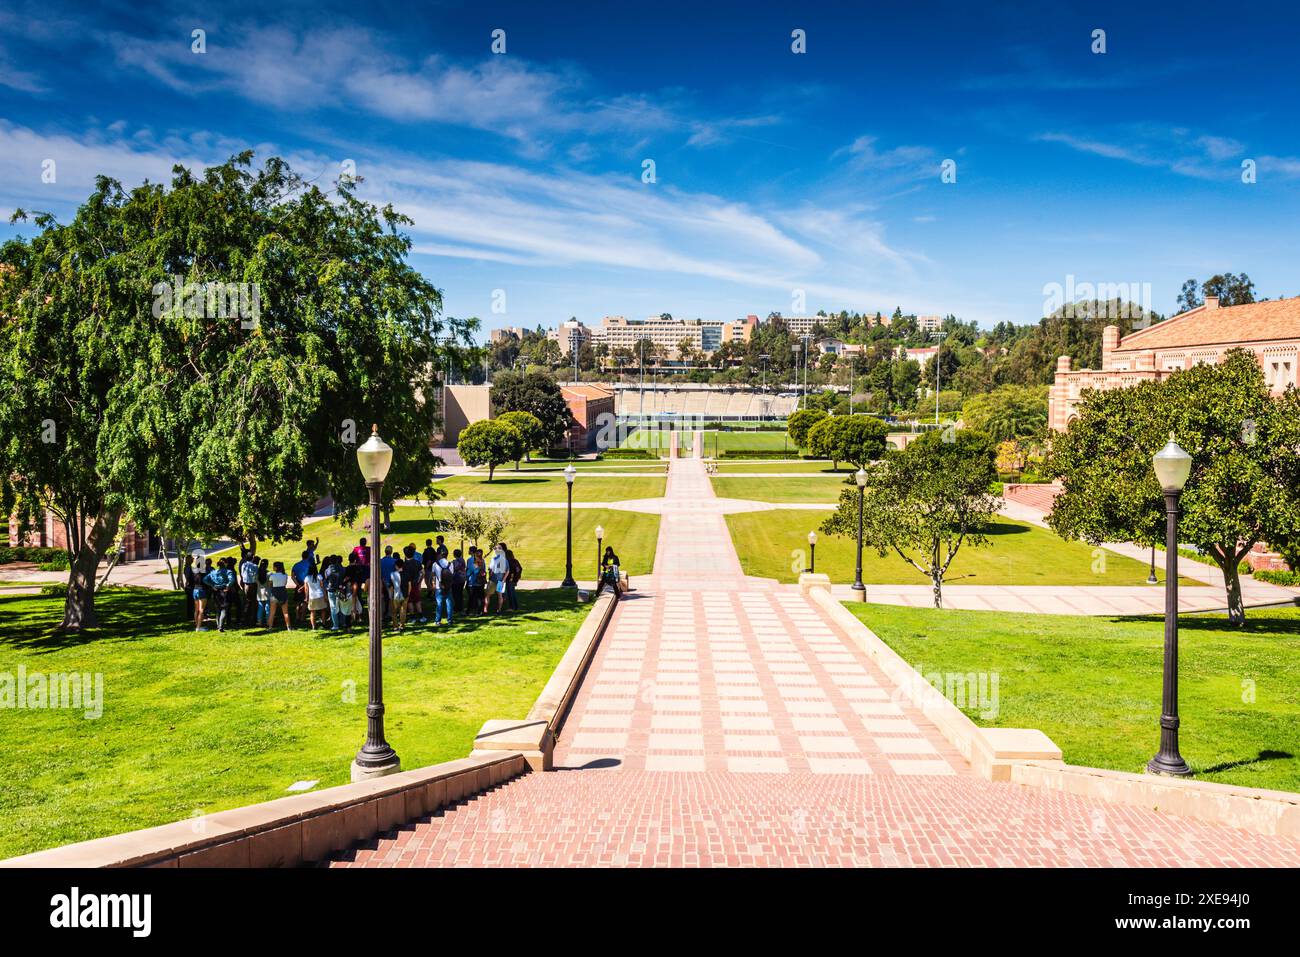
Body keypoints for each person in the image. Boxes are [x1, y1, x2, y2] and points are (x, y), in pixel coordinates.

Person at [204, 557, 237, 632]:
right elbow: (232, 580)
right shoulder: (228, 571)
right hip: (224, 591)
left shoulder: (213, 572)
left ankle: (218, 625)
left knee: (218, 609)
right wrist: (228, 586)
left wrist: (212, 585)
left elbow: (205, 579)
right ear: (225, 564)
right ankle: (221, 626)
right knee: (224, 609)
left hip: (216, 591)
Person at [403, 544, 426, 624]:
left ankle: (412, 617)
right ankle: (421, 616)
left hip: (407, 585)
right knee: (417, 600)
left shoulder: (404, 564)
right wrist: (419, 582)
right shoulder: (417, 563)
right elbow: (423, 573)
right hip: (415, 584)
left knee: (409, 601)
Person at [291, 549, 314, 624]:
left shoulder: (296, 564)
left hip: (299, 583)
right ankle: (302, 618)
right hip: (306, 584)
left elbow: (292, 576)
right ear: (308, 556)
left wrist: (298, 585)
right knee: (305, 601)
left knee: (297, 602)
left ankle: (297, 617)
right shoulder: (310, 565)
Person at [267, 561, 293, 630]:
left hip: (274, 594)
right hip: (283, 593)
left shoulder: (272, 576)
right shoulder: (285, 575)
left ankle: (270, 628)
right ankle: (288, 627)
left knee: (272, 613)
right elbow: (285, 584)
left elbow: (269, 585)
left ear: (276, 568)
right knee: (285, 612)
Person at [323, 555, 346, 631]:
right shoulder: (341, 569)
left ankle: (336, 625)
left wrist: (327, 587)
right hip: (340, 589)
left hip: (331, 590)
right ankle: (343, 622)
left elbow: (325, 580)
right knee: (341, 606)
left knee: (333, 607)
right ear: (336, 560)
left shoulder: (327, 570)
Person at [239, 551, 260, 626]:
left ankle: (244, 618)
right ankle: (252, 619)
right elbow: (256, 576)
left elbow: (242, 574)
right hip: (252, 585)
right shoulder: (255, 566)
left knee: (247, 602)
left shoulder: (243, 565)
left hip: (246, 585)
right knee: (253, 602)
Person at [488, 543, 509, 614]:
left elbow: (490, 570)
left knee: (488, 595)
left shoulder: (494, 559)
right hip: (500, 580)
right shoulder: (505, 560)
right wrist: (503, 580)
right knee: (500, 596)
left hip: (494, 580)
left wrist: (490, 577)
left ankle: (485, 610)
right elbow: (507, 571)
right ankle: (498, 610)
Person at [189, 556, 208, 631]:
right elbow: (207, 581)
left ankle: (197, 626)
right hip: (202, 590)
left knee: (196, 609)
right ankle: (198, 627)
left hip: (195, 590)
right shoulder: (204, 571)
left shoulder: (194, 571)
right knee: (201, 609)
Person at [389, 558, 408, 630]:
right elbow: (409, 585)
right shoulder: (406, 573)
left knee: (394, 611)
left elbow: (391, 587)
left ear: (396, 566)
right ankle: (402, 625)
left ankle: (395, 626)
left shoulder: (392, 574)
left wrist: (390, 596)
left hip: (396, 594)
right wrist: (408, 594)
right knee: (403, 610)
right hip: (405, 594)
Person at [464, 548, 483, 617]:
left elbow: (471, 570)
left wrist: (466, 576)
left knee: (472, 597)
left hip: (473, 580)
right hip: (480, 580)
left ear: (471, 552)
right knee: (479, 597)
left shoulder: (471, 560)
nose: (468, 551)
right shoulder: (481, 559)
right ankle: (479, 611)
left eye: (469, 550)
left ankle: (469, 611)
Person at [504, 548, 522, 612]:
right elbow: (519, 569)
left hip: (510, 579)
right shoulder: (515, 561)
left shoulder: (509, 561)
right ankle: (516, 607)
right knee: (513, 593)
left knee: (510, 593)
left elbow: (508, 570)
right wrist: (517, 578)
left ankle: (512, 607)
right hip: (514, 579)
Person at [255, 559, 271, 627]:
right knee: (267, 607)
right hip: (267, 592)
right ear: (267, 565)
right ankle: (268, 621)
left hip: (259, 592)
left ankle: (259, 622)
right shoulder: (269, 574)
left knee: (260, 607)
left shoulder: (257, 574)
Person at [451, 548, 467, 614]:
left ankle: (458, 608)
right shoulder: (462, 560)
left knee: (455, 594)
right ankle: (460, 606)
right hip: (462, 578)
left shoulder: (455, 562)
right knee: (459, 593)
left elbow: (454, 569)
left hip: (456, 579)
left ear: (454, 555)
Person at [182, 554, 197, 624]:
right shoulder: (188, 568)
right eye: (192, 559)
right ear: (189, 560)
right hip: (190, 587)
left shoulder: (189, 567)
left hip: (191, 586)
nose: (193, 560)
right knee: (190, 602)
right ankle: (190, 616)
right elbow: (188, 577)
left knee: (191, 602)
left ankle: (191, 615)